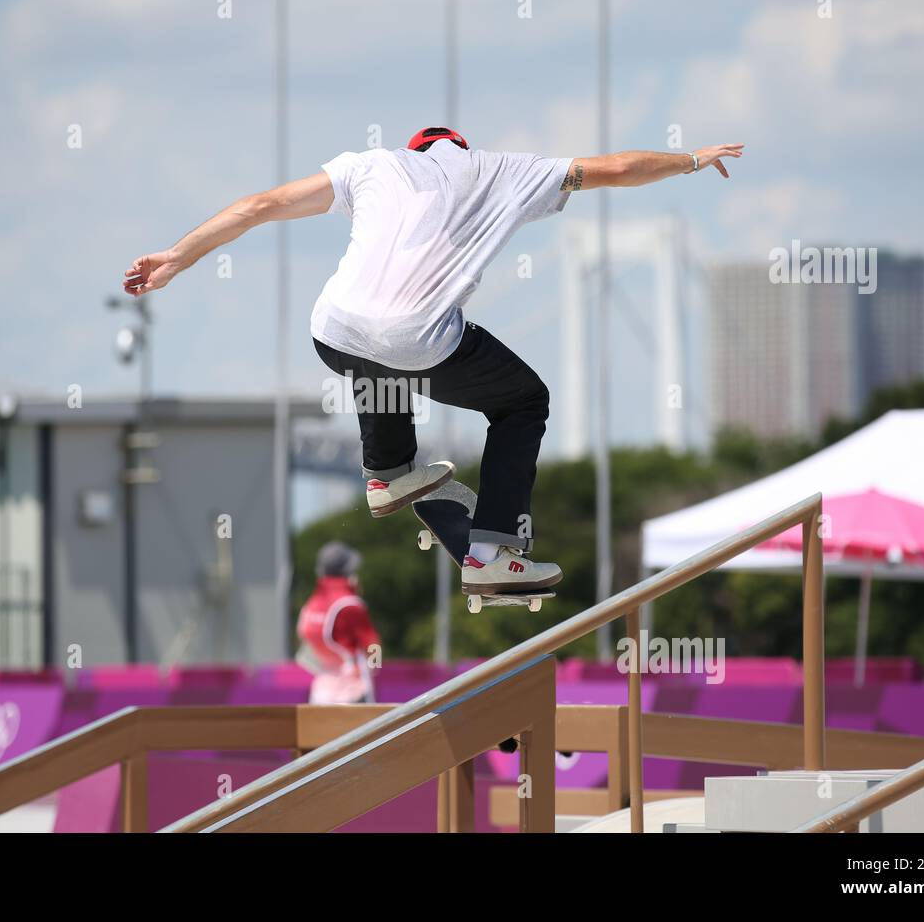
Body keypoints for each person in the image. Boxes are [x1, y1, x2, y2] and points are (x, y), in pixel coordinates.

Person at [124, 128, 742, 597]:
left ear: (414, 150)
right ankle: (494, 551)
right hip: (419, 340)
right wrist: (691, 159)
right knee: (521, 400)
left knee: (372, 354)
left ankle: (387, 469)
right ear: (460, 148)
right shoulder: (506, 172)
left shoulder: (368, 166)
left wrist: (178, 256)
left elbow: (259, 205)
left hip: (331, 330)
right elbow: (617, 168)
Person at [295, 541, 380, 704]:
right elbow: (372, 645)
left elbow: (305, 642)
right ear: (348, 570)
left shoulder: (312, 603)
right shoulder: (351, 604)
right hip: (352, 693)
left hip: (321, 692)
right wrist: (374, 669)